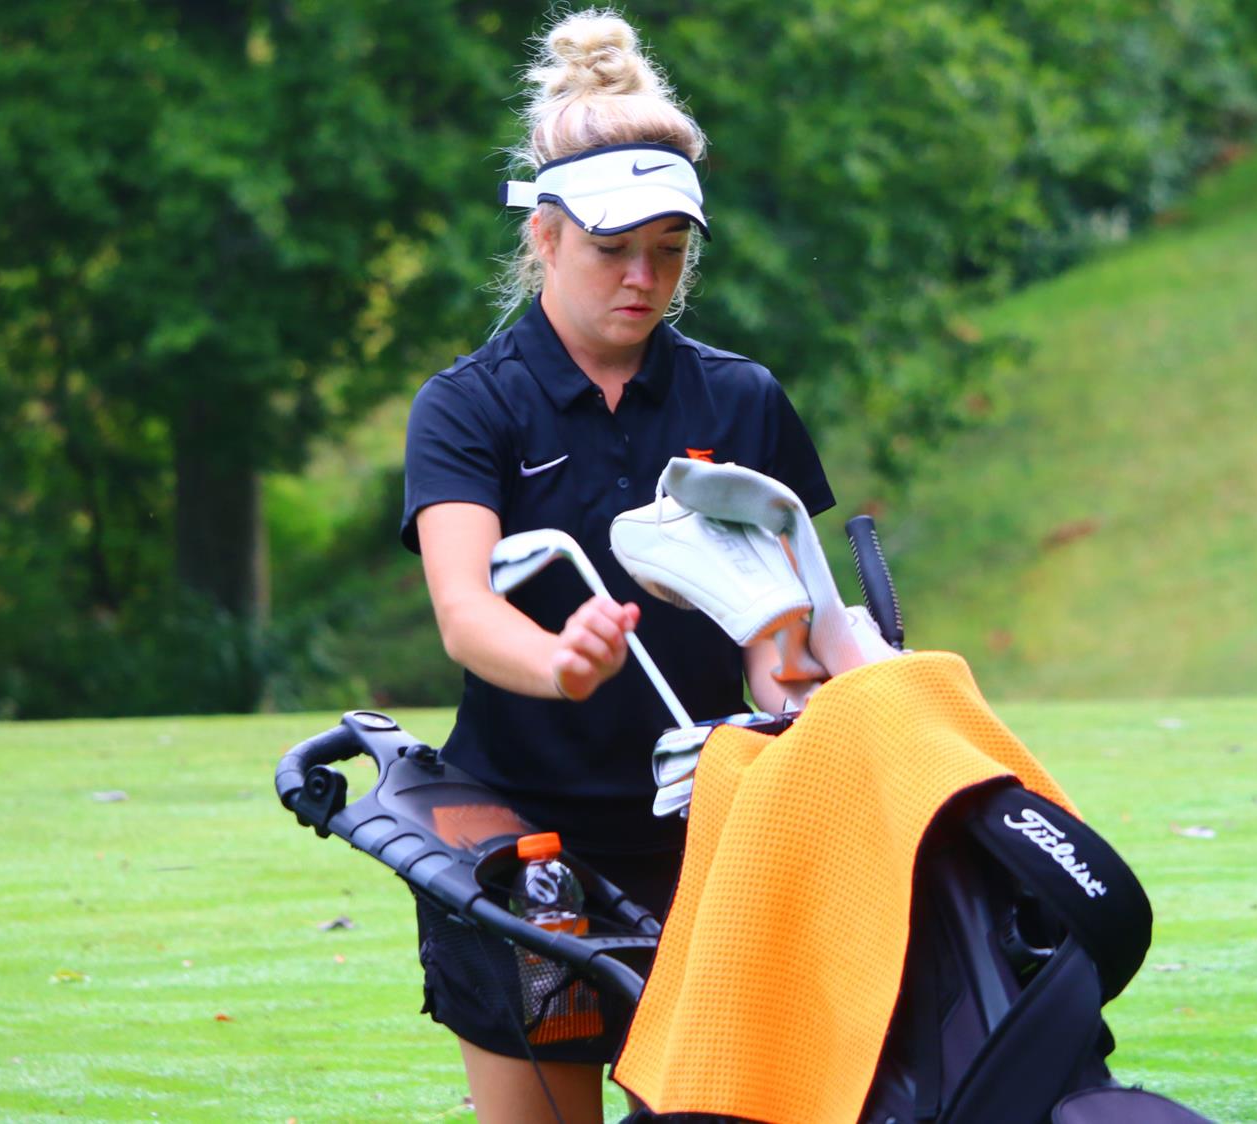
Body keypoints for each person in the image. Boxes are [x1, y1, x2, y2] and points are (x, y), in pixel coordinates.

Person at [398, 10, 834, 1123]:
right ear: (543, 236)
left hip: (712, 835)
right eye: (611, 249)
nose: (642, 278)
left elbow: (797, 627)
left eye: (668, 252)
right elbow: (462, 610)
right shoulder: (466, 406)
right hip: (518, 844)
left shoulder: (738, 399)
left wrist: (797, 686)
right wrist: (558, 660)